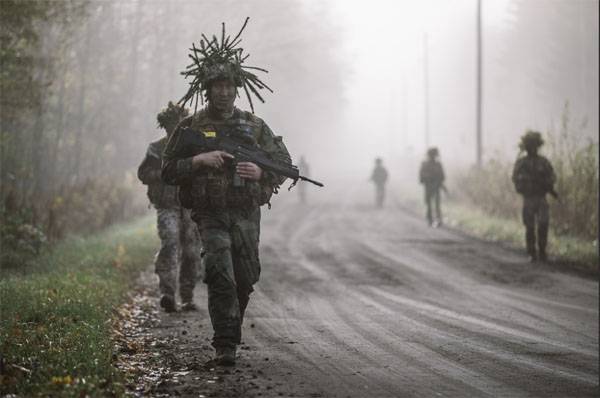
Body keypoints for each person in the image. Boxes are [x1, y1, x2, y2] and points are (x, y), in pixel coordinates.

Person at [162, 19, 291, 366]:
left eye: (228, 86)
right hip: (211, 215)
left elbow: (283, 163)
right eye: (217, 86)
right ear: (207, 89)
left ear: (237, 89)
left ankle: (230, 327)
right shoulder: (190, 128)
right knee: (220, 274)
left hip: (247, 213)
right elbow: (167, 170)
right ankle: (226, 344)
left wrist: (261, 171)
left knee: (245, 278)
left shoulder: (255, 125)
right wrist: (199, 160)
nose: (223, 92)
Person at [137, 102, 202, 313]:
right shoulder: (156, 149)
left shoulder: (193, 148)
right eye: (170, 125)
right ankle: (167, 293)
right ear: (164, 126)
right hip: (167, 205)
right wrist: (164, 174)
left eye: (178, 125)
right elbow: (143, 174)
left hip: (190, 206)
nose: (173, 129)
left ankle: (187, 296)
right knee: (170, 243)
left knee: (192, 251)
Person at [512, 130, 557, 262]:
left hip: (541, 197)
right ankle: (532, 252)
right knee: (530, 226)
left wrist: (547, 184)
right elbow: (515, 178)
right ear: (527, 147)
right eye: (530, 145)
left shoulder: (543, 162)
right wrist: (525, 181)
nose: (532, 148)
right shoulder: (522, 163)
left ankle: (542, 251)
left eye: (534, 146)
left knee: (543, 224)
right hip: (529, 198)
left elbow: (552, 176)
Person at [419, 147, 445, 226]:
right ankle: (430, 219)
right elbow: (422, 176)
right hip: (428, 186)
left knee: (436, 204)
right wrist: (429, 179)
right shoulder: (425, 164)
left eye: (434, 155)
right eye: (432, 155)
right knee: (429, 203)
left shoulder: (438, 165)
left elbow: (442, 176)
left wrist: (438, 182)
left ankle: (437, 219)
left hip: (436, 186)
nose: (433, 157)